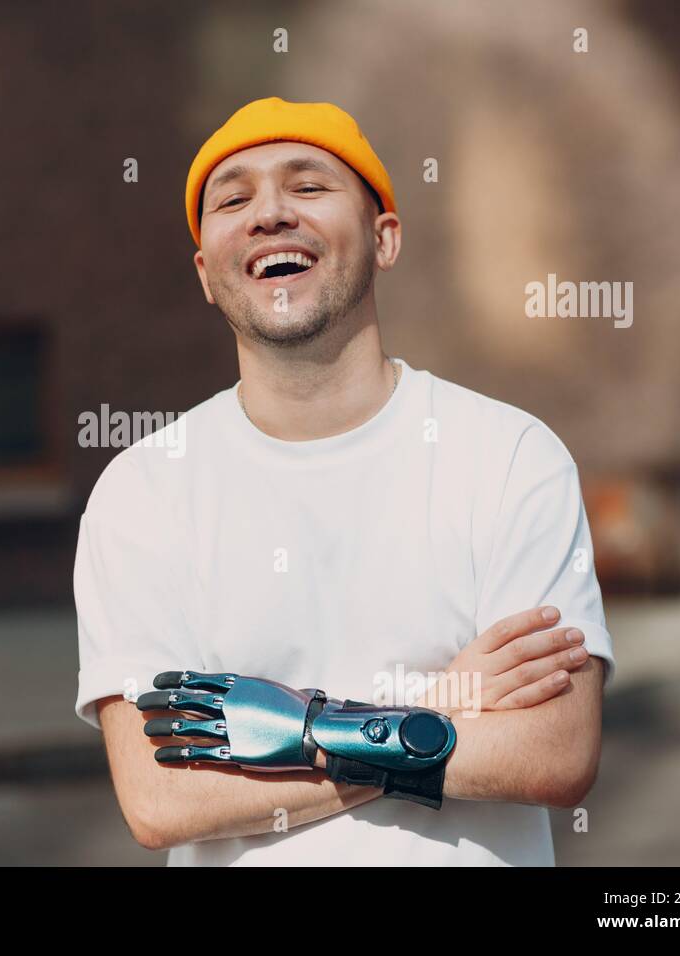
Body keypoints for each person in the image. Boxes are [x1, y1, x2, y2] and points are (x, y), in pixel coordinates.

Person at [73, 97, 615, 865]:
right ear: (205, 271)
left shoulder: (511, 456)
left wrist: (283, 737)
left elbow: (555, 754)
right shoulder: (141, 494)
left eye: (308, 186)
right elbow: (162, 801)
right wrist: (435, 709)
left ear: (383, 238)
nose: (268, 214)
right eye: (233, 199)